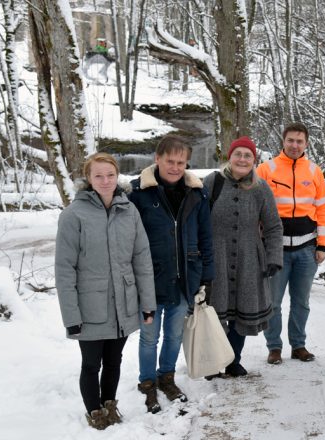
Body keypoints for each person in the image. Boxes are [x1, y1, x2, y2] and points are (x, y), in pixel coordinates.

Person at [55, 153, 157, 430]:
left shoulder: (129, 210)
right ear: (88, 179)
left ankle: (109, 404)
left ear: (117, 177)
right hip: (90, 306)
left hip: (123, 303)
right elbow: (64, 269)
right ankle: (95, 411)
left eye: (110, 175)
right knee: (91, 364)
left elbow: (142, 259)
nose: (105, 181)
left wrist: (147, 302)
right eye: (98, 176)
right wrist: (70, 315)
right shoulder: (73, 215)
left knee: (114, 361)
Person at [128, 135, 215, 413]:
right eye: (170, 161)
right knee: (149, 337)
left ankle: (167, 377)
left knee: (174, 335)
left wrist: (206, 276)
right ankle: (147, 383)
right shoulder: (139, 194)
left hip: (184, 278)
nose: (175, 167)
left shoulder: (196, 193)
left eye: (181, 162)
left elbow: (205, 237)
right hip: (151, 278)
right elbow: (129, 240)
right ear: (157, 159)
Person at [203, 136, 284, 377]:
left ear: (254, 160)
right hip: (216, 256)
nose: (242, 159)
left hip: (250, 258)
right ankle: (213, 362)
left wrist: (273, 257)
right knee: (215, 312)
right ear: (230, 156)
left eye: (247, 155)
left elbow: (273, 226)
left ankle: (233, 360)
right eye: (238, 154)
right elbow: (197, 219)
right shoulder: (212, 182)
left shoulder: (261, 187)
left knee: (241, 313)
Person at [257, 123, 325, 365]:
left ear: (306, 144)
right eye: (290, 140)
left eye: (299, 141)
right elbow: (255, 207)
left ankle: (298, 344)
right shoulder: (266, 170)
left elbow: (322, 209)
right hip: (275, 250)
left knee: (301, 302)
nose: (295, 145)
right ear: (283, 141)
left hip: (306, 249)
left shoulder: (314, 171)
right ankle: (274, 347)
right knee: (274, 302)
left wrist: (322, 245)